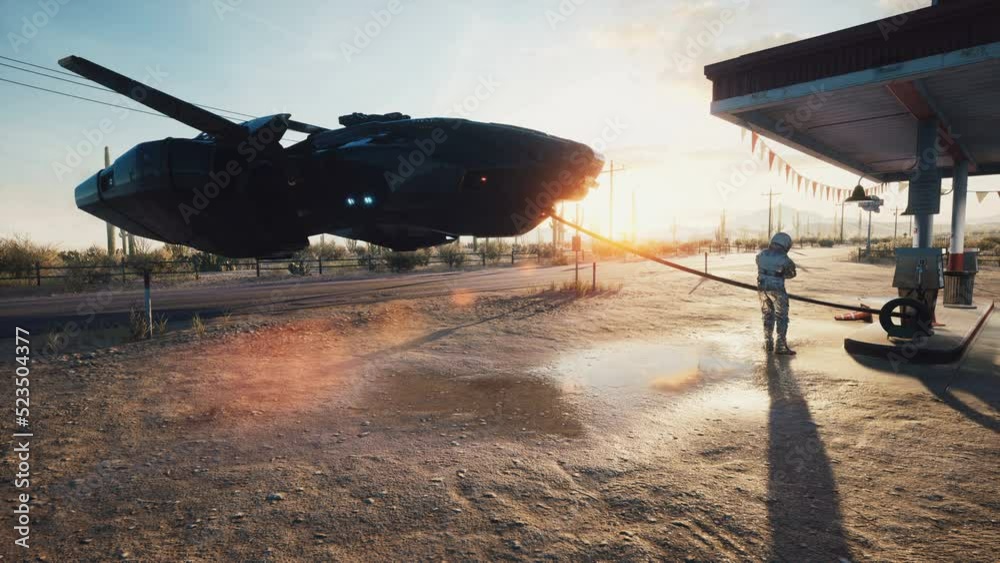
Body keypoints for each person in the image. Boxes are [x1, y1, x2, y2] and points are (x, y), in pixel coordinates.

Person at [756, 232, 797, 355]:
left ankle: (768, 343)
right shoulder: (785, 259)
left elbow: (758, 264)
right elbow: (792, 274)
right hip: (777, 289)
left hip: (761, 288)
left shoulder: (761, 255)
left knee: (767, 314)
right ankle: (780, 345)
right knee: (781, 316)